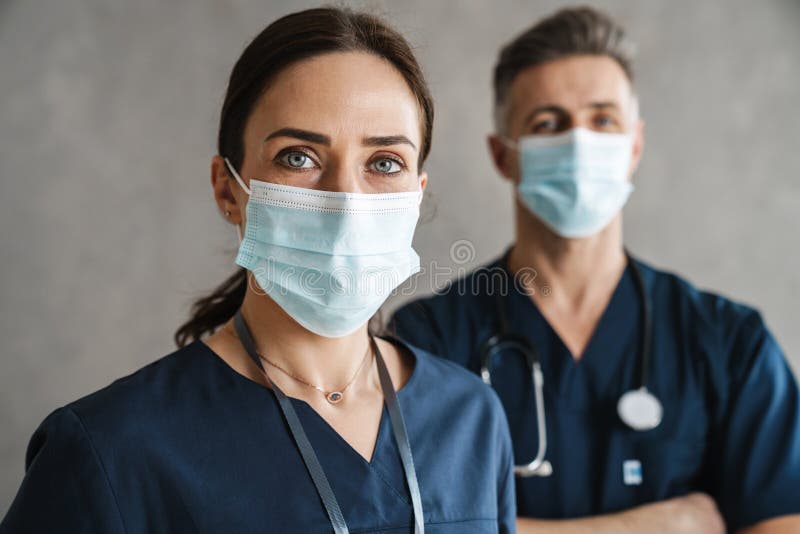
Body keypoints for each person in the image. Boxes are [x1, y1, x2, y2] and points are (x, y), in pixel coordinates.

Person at [0, 8, 515, 533]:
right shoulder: (113, 449)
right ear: (228, 189)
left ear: (416, 195)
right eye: (298, 157)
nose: (346, 200)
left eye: (384, 162)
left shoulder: (470, 419)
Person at [391, 6, 800, 533]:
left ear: (634, 145)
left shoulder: (729, 344)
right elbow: (404, 524)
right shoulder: (428, 342)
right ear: (502, 155)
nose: (580, 143)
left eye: (603, 120)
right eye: (548, 123)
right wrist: (660, 526)